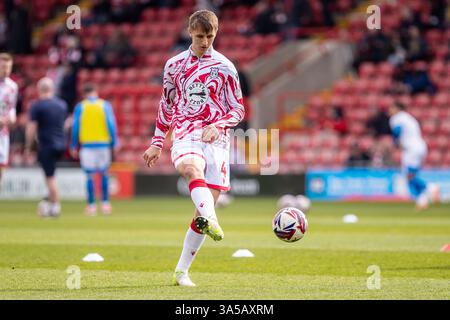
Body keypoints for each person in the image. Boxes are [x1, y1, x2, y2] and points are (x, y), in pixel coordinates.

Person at [142, 10, 245, 287]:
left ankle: (181, 272)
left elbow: (238, 109)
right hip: (185, 129)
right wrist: (157, 142)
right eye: (200, 36)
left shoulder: (225, 67)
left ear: (216, 33)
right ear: (190, 32)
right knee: (190, 168)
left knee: (201, 212)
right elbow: (166, 104)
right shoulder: (174, 65)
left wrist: (220, 124)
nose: (205, 41)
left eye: (210, 36)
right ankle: (212, 218)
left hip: (216, 138)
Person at [70, 83, 118, 215]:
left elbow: (75, 127)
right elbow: (111, 124)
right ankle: (105, 204)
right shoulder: (104, 105)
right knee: (104, 174)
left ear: (84, 94)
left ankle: (91, 206)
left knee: (89, 176)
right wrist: (115, 142)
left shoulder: (81, 106)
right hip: (103, 144)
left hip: (87, 146)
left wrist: (74, 144)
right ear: (95, 92)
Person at [25, 77, 68, 217]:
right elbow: (64, 125)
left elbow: (32, 128)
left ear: (39, 90)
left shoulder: (37, 106)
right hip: (60, 144)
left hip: (47, 144)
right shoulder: (62, 104)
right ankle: (50, 200)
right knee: (51, 175)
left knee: (50, 177)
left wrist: (28, 146)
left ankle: (55, 207)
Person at [388, 101, 440, 210]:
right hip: (420, 146)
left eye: (391, 108)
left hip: (411, 149)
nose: (389, 111)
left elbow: (397, 130)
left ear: (397, 108)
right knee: (411, 176)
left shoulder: (397, 117)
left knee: (409, 176)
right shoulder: (409, 118)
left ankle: (431, 187)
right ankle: (422, 200)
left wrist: (394, 143)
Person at [0, 52, 18, 184]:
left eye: (8, 67)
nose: (6, 70)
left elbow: (11, 107)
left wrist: (12, 117)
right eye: (3, 67)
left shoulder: (12, 87)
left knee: (2, 165)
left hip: (2, 132)